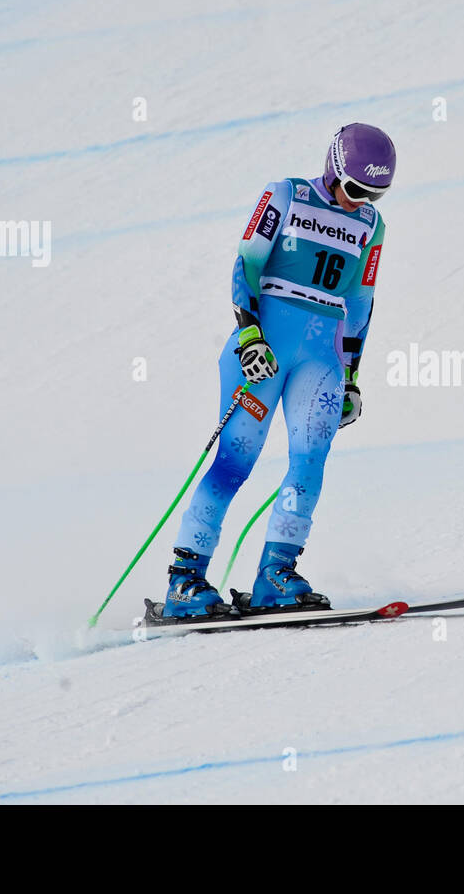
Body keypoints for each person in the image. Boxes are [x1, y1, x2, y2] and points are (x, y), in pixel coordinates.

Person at [162, 123, 394, 616]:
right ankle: (185, 581)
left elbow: (359, 302)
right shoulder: (287, 195)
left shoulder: (372, 226)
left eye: (375, 194)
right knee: (235, 462)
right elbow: (246, 264)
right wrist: (248, 334)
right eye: (355, 190)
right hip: (264, 348)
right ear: (333, 171)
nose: (360, 203)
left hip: (322, 358)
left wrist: (351, 377)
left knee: (310, 461)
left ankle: (276, 573)